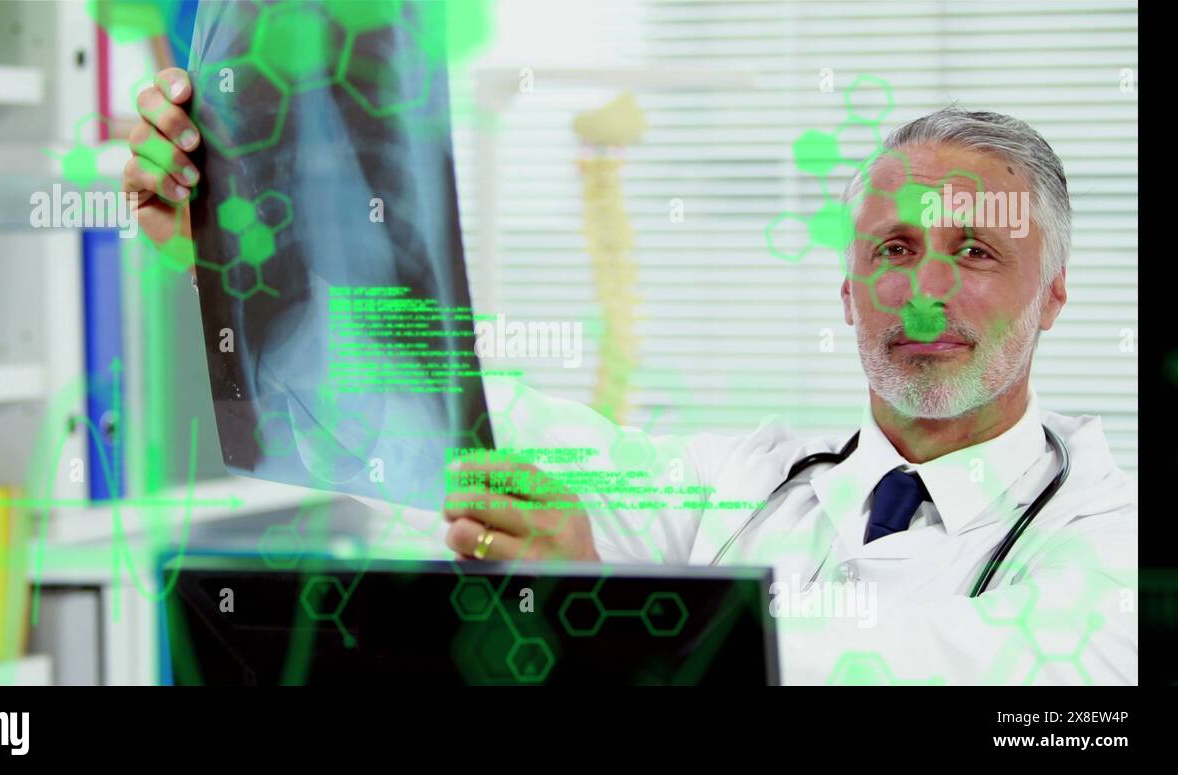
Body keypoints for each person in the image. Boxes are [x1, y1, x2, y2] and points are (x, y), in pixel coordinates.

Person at [126, 69, 1137, 685]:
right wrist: (237, 257)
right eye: (891, 250)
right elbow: (461, 422)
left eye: (972, 253)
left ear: (1050, 295)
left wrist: (598, 609)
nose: (920, 293)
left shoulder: (1113, 539)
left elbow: (965, 665)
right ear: (844, 292)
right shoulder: (748, 486)